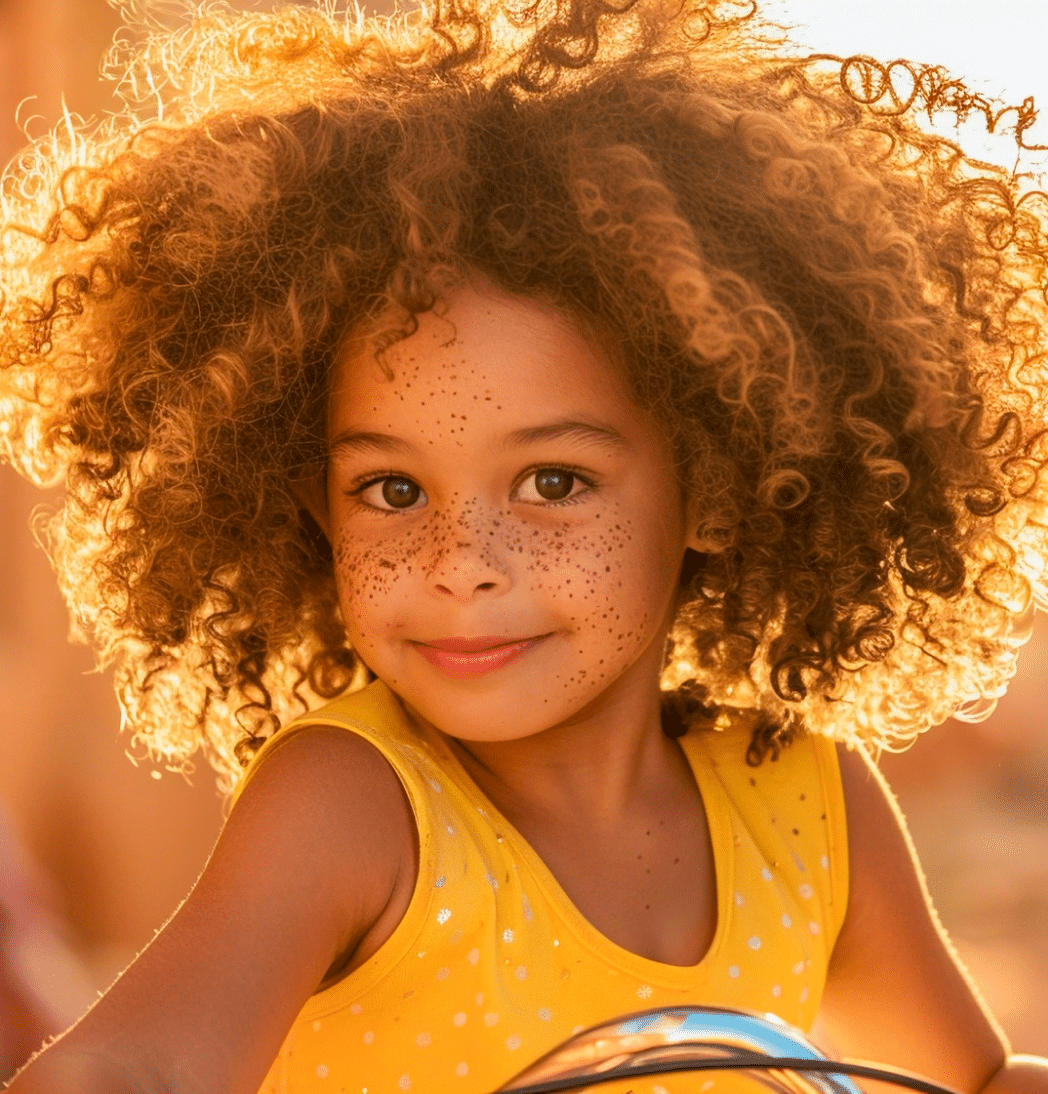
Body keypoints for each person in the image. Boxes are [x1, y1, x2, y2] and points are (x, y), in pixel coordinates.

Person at [1, 0, 1046, 1091]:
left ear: (719, 488)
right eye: (391, 488)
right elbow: (133, 1068)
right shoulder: (356, 805)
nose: (461, 558)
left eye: (554, 481)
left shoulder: (800, 792)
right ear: (310, 501)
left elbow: (969, 1083)